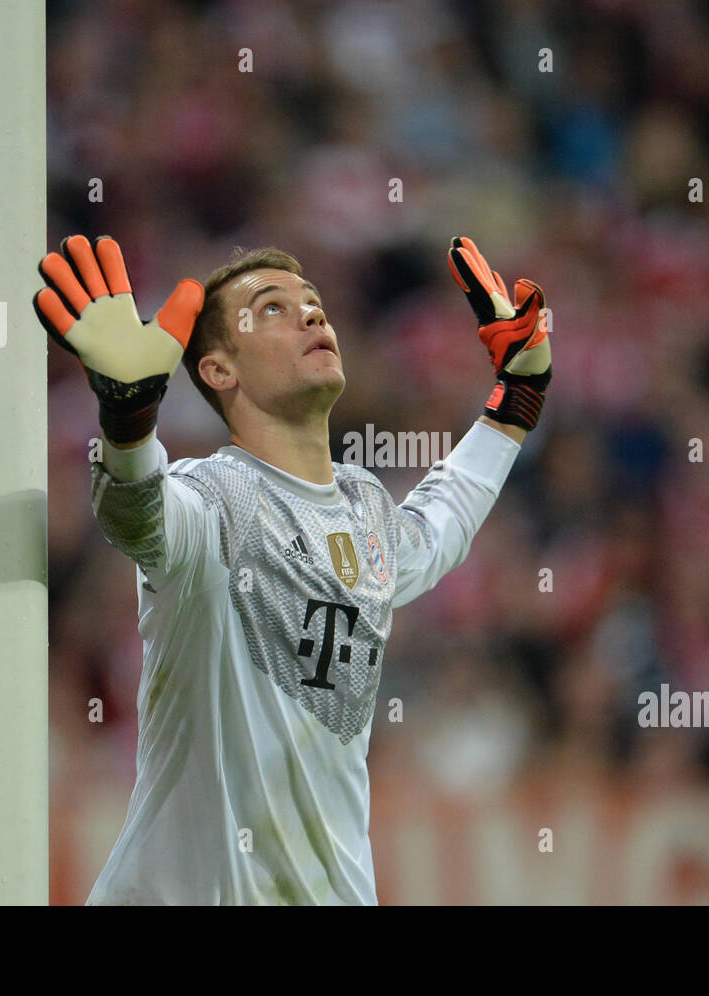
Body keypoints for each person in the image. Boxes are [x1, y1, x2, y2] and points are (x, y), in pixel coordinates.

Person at [32, 234, 552, 904]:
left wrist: (519, 394)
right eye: (272, 309)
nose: (313, 316)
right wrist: (128, 420)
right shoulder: (212, 501)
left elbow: (442, 520)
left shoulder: (366, 509)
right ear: (219, 370)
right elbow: (139, 515)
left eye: (315, 305)